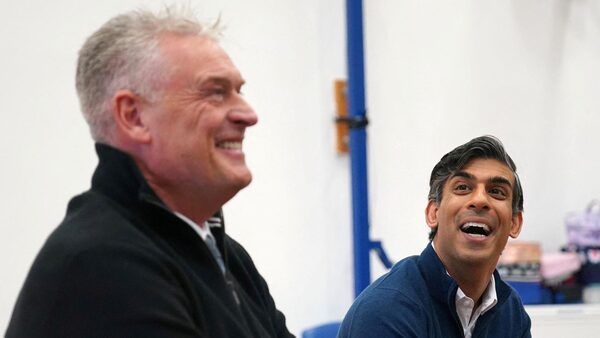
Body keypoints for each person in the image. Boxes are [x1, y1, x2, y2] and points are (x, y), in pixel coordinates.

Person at [6, 8, 293, 338]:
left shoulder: (226, 256)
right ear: (133, 117)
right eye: (215, 92)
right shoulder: (104, 263)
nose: (248, 114)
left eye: (238, 91)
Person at [338, 135, 531, 338]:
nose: (480, 200)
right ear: (433, 213)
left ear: (515, 223)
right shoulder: (385, 311)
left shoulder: (510, 310)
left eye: (497, 191)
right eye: (463, 188)